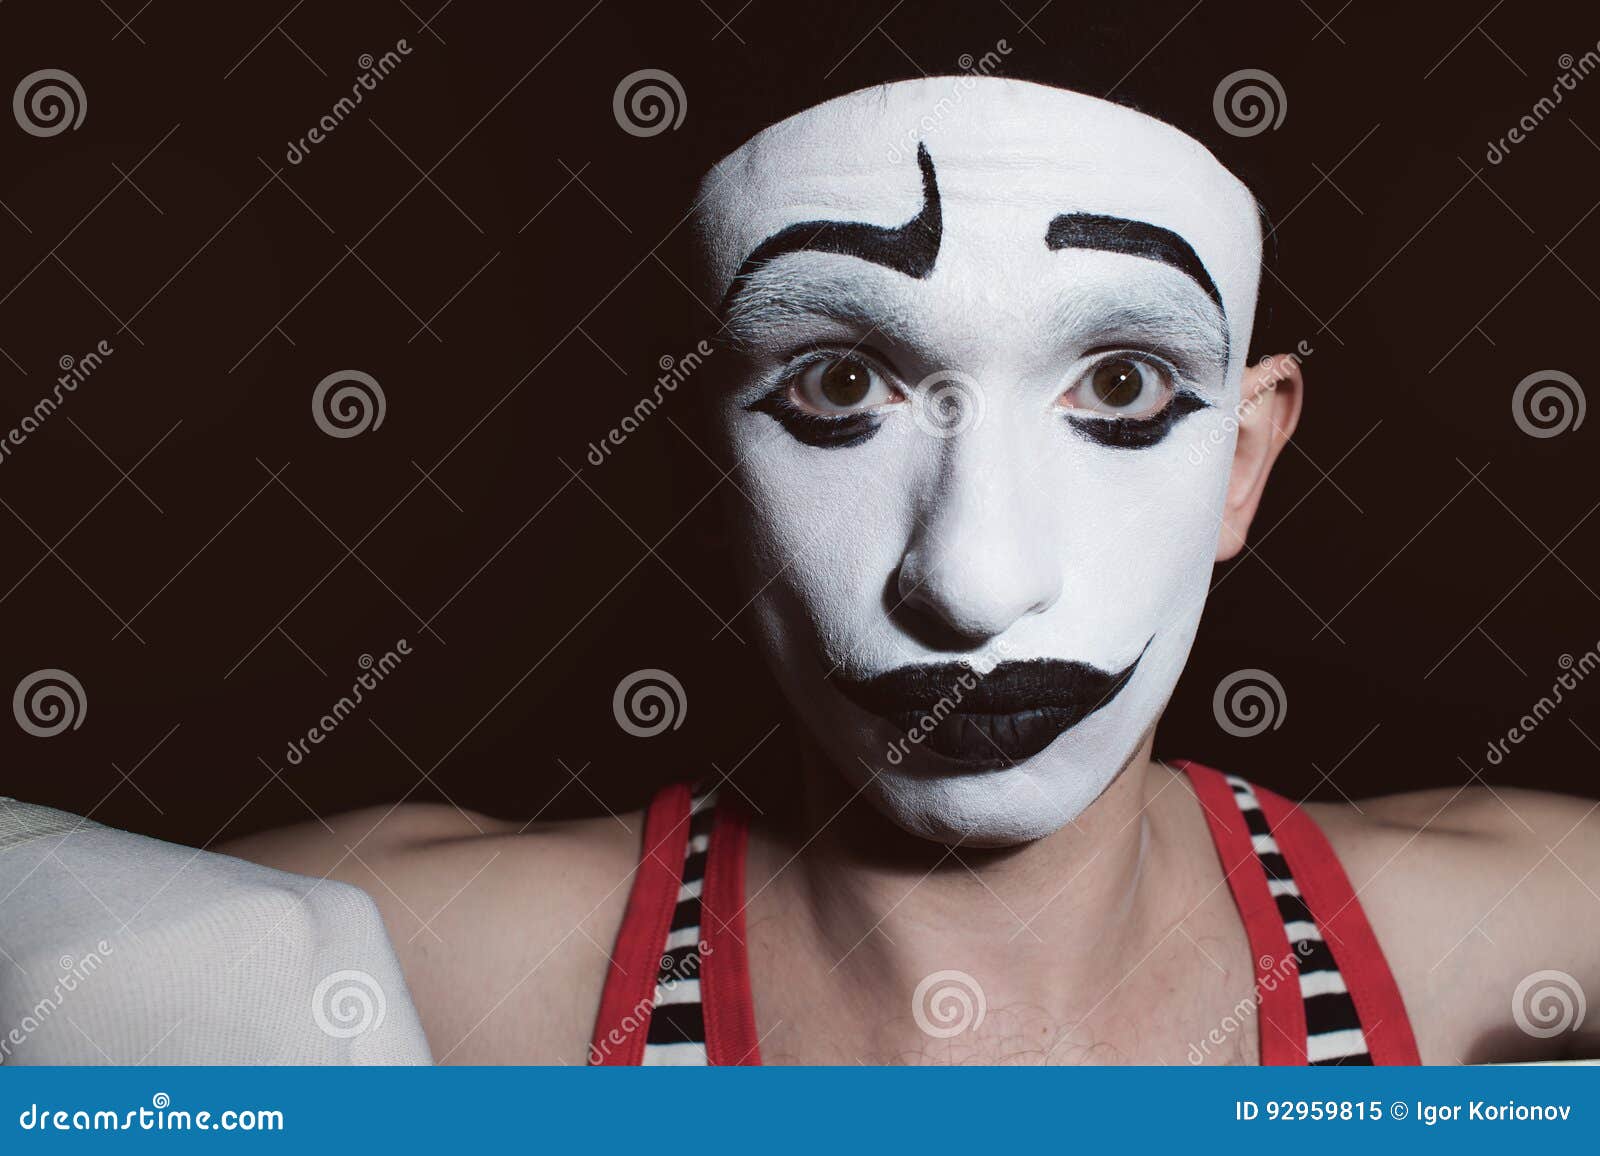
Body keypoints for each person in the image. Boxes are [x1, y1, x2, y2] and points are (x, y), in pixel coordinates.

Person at [9, 76, 1598, 1067]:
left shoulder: (1529, 944)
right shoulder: (395, 971)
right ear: (705, 457)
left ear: (1243, 456)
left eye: (1118, 387)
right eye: (839, 386)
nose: (972, 585)